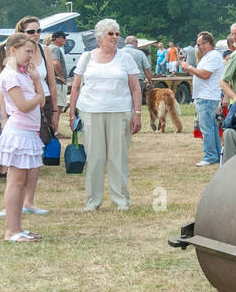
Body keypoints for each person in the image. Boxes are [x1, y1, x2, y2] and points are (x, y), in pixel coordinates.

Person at [66, 18, 142, 211]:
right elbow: (75, 87)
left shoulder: (126, 58)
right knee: (95, 158)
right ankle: (93, 201)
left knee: (118, 158)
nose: (115, 37)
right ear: (100, 37)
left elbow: (135, 88)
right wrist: (72, 115)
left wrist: (137, 113)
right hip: (91, 112)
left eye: (117, 34)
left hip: (120, 112)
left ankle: (121, 200)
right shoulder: (86, 57)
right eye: (111, 34)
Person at [0, 32, 47, 240]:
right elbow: (23, 106)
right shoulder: (9, 75)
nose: (30, 57)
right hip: (17, 133)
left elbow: (41, 101)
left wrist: (36, 81)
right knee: (15, 182)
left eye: (33, 53)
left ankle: (18, 228)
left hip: (28, 133)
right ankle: (11, 230)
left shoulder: (25, 74)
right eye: (27, 52)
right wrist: (38, 96)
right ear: (13, 50)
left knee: (23, 182)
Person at [7, 16, 55, 217]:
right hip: (21, 109)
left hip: (41, 103)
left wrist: (55, 111)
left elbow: (51, 81)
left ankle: (29, 201)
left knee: (36, 156)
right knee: (18, 163)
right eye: (31, 32)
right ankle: (12, 204)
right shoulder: (13, 57)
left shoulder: (45, 51)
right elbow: (6, 89)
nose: (36, 35)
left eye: (38, 31)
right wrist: (3, 117)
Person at [181, 31, 224, 166]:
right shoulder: (208, 56)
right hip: (206, 96)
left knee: (206, 128)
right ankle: (216, 154)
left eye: (199, 44)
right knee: (211, 127)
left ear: (207, 43)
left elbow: (205, 74)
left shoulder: (213, 56)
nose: (198, 47)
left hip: (207, 96)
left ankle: (210, 156)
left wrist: (190, 67)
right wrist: (189, 69)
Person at [48, 31, 69, 136]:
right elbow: (56, 62)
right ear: (56, 38)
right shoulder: (55, 48)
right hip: (58, 83)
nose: (65, 39)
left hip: (53, 82)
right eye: (63, 37)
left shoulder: (49, 48)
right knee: (57, 108)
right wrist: (61, 77)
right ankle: (55, 131)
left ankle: (53, 130)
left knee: (55, 108)